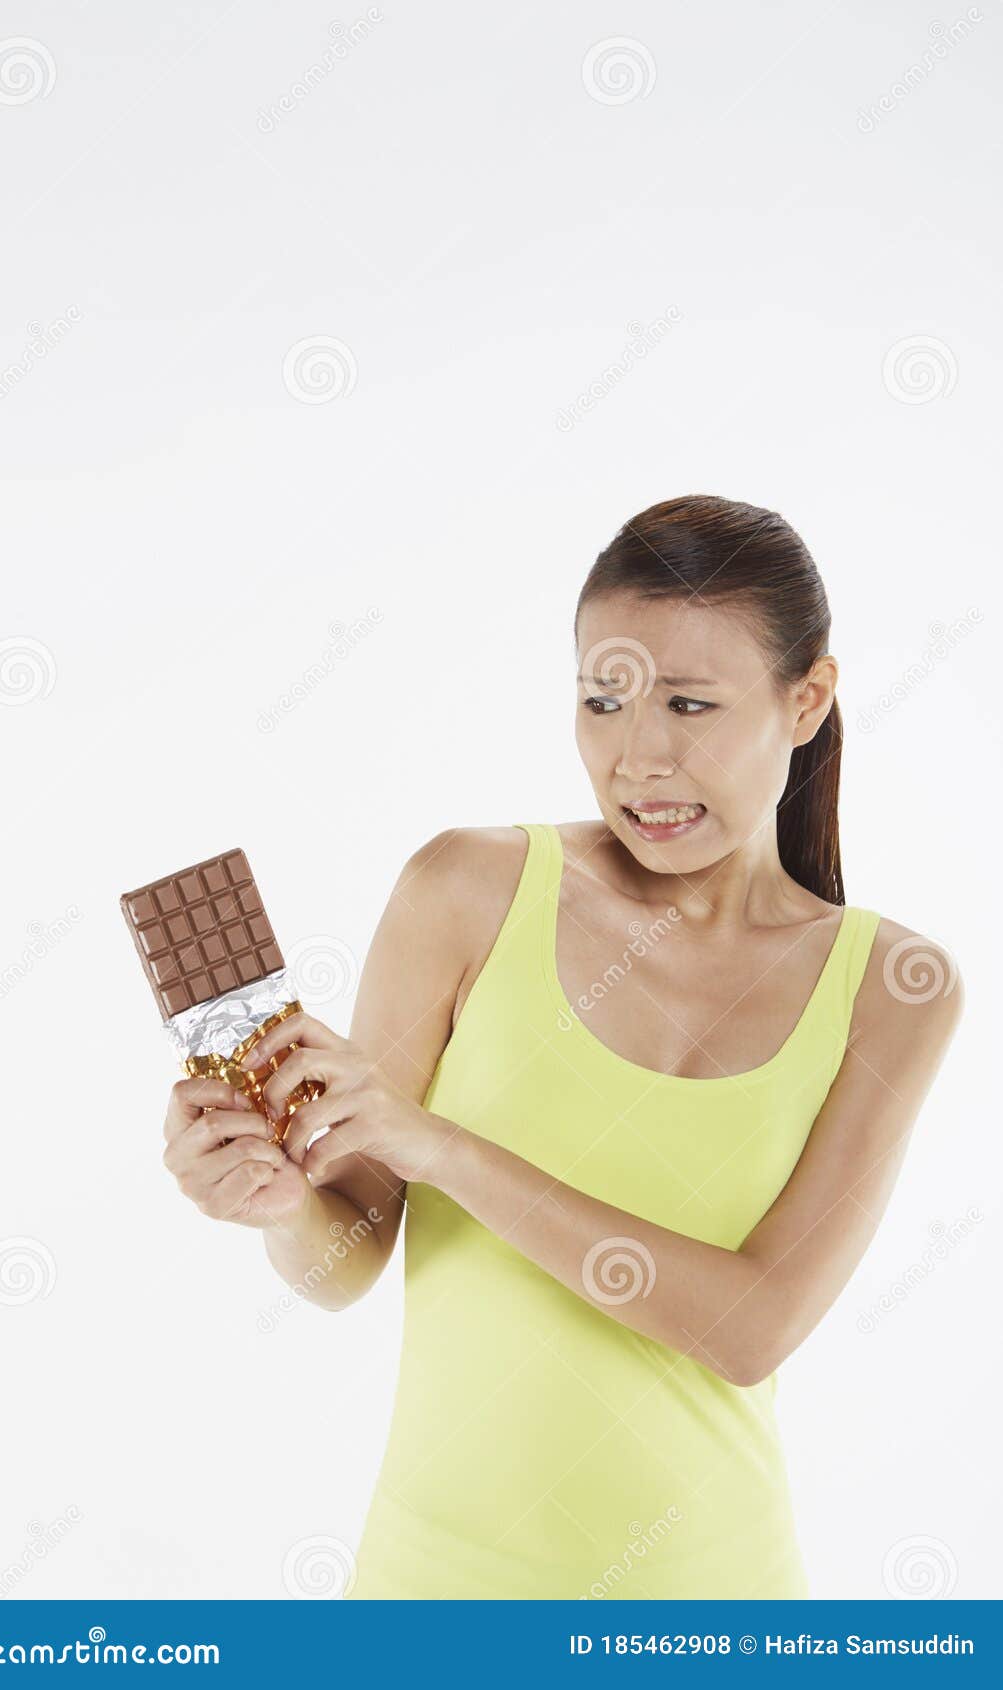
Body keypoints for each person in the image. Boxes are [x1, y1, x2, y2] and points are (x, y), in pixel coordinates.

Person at [161, 494, 965, 1599]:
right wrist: (278, 1202)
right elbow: (340, 1263)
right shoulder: (465, 889)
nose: (638, 756)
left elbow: (751, 1325)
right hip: (430, 1602)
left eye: (689, 704)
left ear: (806, 699)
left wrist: (442, 1149)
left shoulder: (890, 988)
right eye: (603, 700)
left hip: (713, 1609)